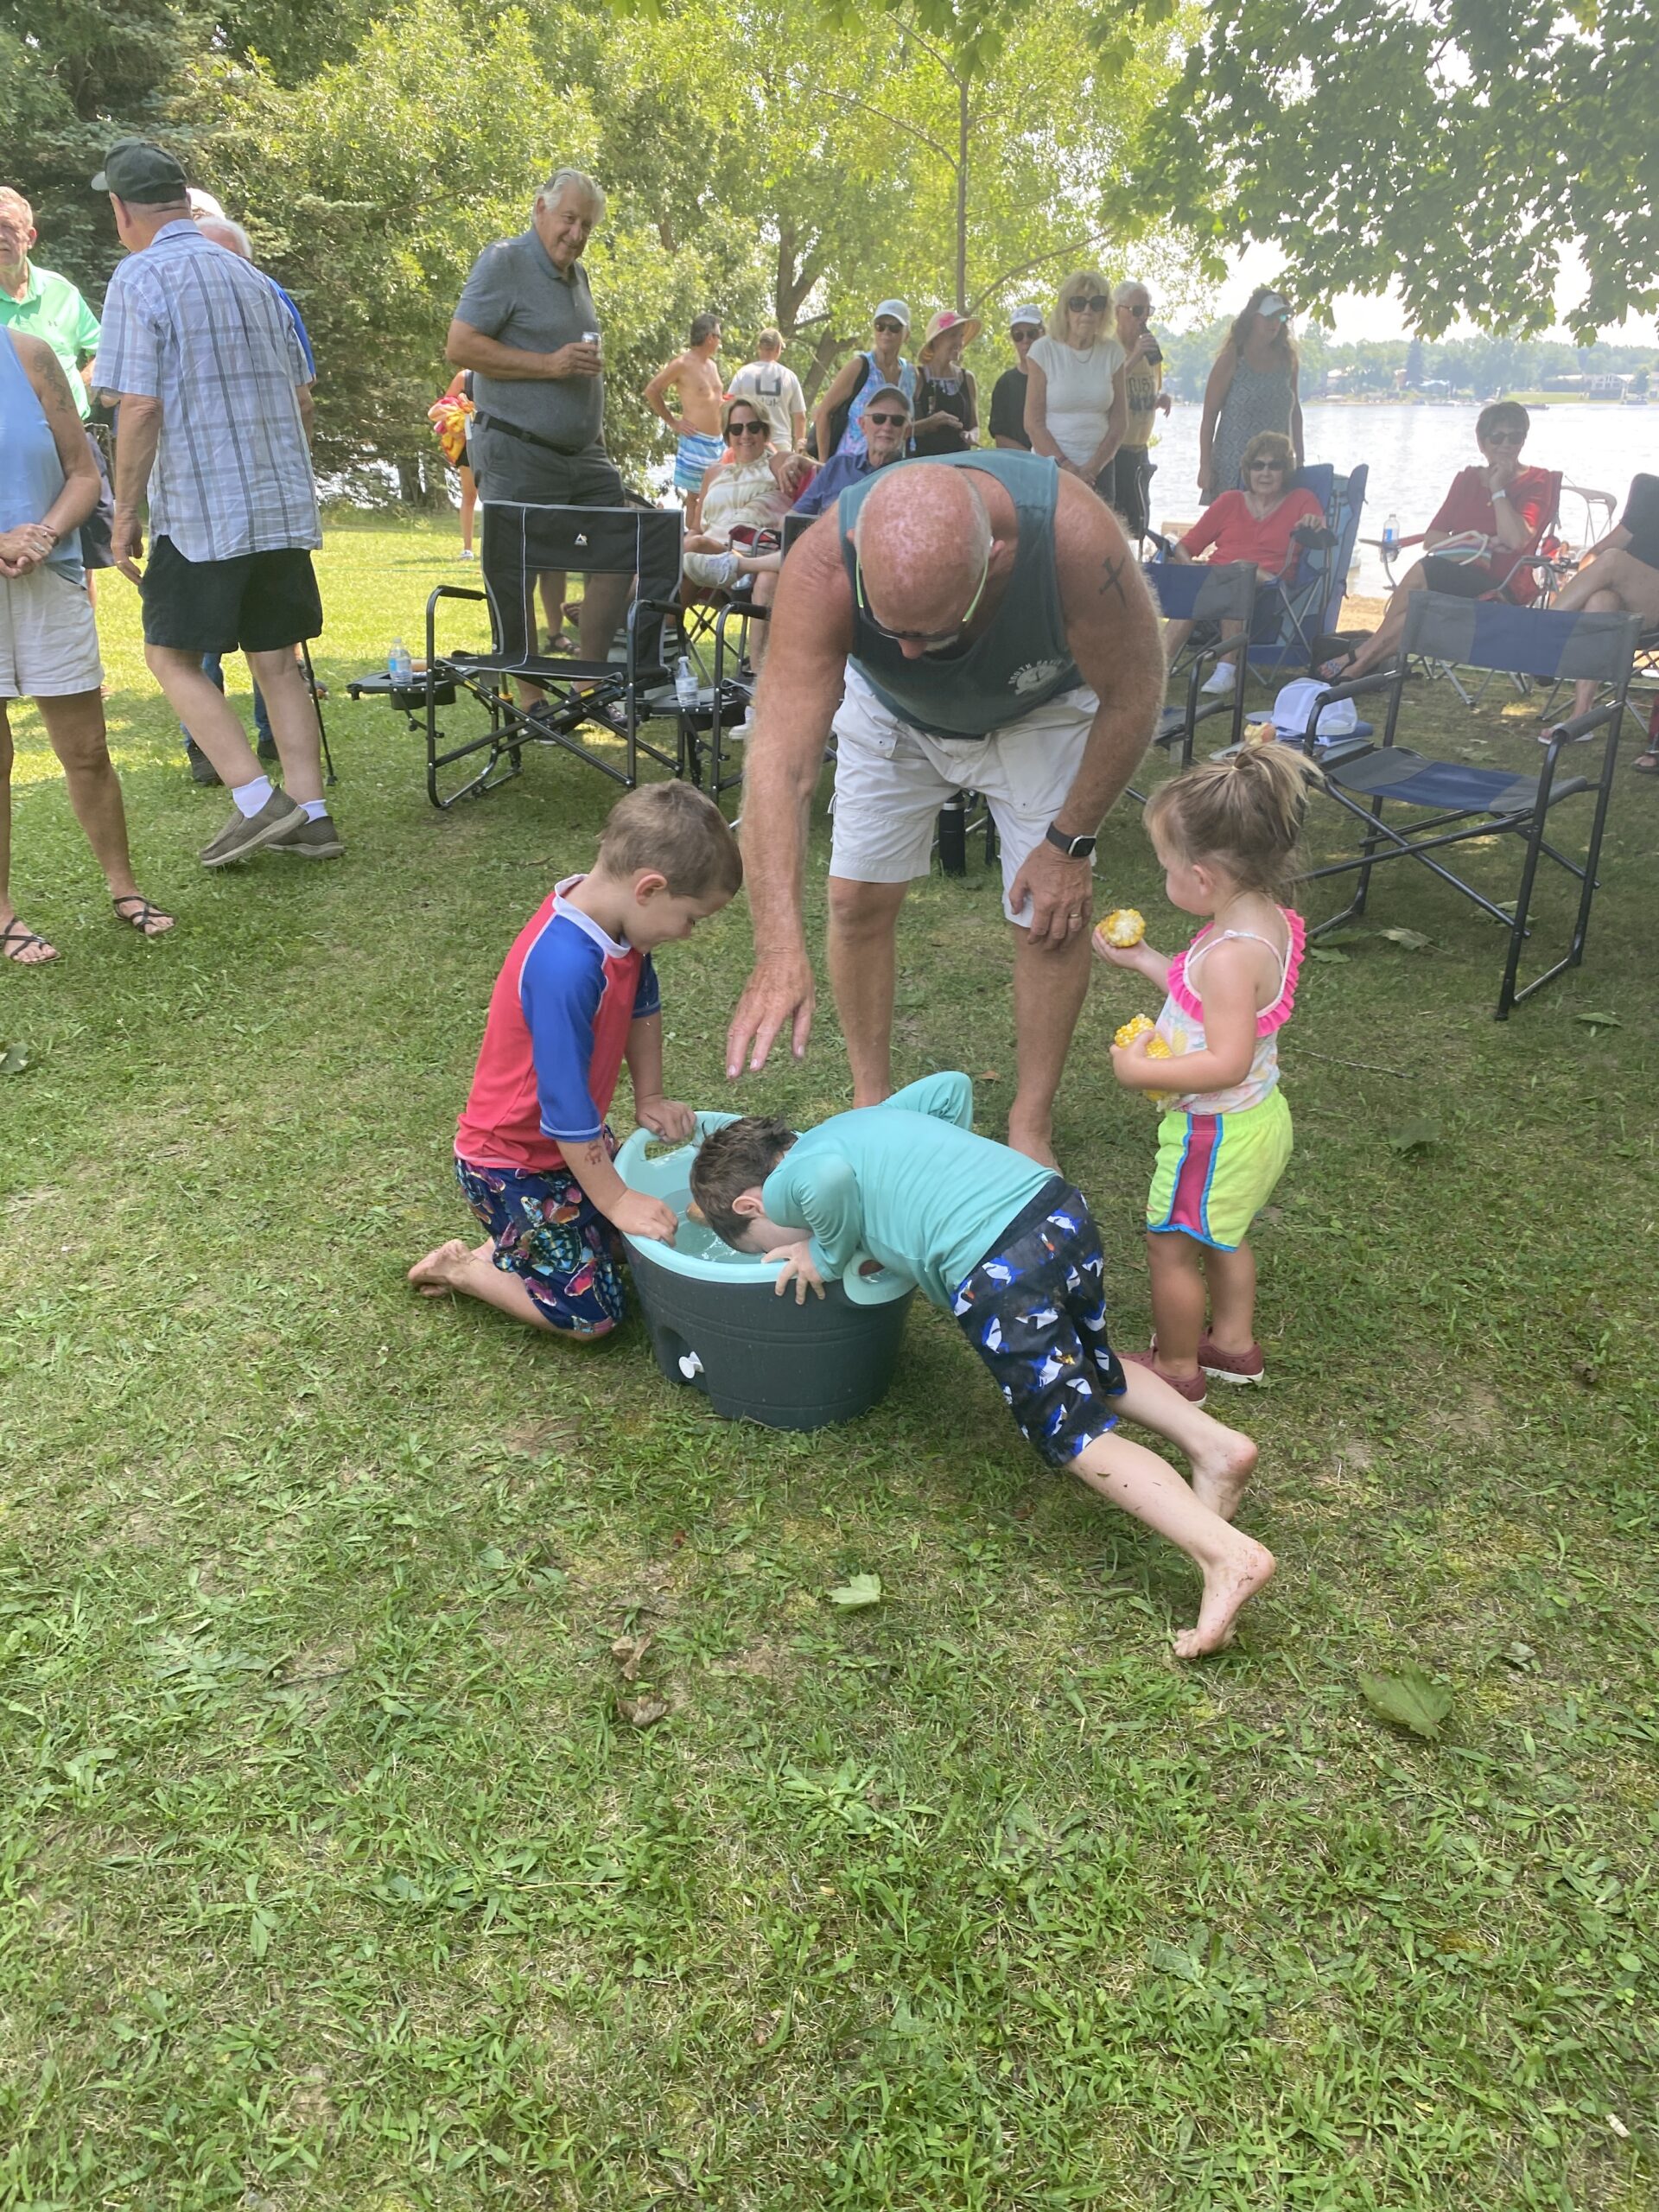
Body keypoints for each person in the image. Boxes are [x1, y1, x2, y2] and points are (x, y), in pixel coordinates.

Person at [689, 1074, 1275, 1658]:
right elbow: (951, 1089)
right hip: (1055, 1210)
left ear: (751, 1206)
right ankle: (1215, 1446)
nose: (788, 1243)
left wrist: (825, 1251)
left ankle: (1227, 1555)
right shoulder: (850, 1128)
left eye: (766, 1242)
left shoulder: (796, 1179)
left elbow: (826, 1184)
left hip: (997, 1264)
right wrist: (927, 1184)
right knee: (1092, 1364)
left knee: (1071, 1430)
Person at [726, 452, 1166, 1169]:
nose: (904, 647)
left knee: (1048, 918)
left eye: (929, 632)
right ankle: (874, 1107)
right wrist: (778, 947)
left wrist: (1070, 843)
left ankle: (1029, 1124)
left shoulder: (1074, 544)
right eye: (887, 624)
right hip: (892, 714)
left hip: (1040, 711)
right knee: (854, 901)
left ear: (995, 560)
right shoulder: (821, 571)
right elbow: (781, 763)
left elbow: (1136, 690)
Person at [408, 784, 742, 1335]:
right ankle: (466, 1268)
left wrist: (650, 1095)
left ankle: (524, 1239)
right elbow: (564, 1108)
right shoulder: (565, 964)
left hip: (567, 1152)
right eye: (691, 918)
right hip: (508, 1163)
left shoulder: (621, 930)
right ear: (650, 888)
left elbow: (642, 1002)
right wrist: (615, 1201)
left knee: (643, 1241)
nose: (689, 933)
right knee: (595, 1315)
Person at [91, 139, 340, 866]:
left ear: (121, 210)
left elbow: (137, 407)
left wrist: (127, 514)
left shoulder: (139, 278)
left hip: (202, 511)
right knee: (278, 660)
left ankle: (260, 802)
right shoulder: (254, 278)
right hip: (278, 505)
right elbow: (301, 397)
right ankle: (314, 816)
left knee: (169, 656)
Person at [1093, 745, 1308, 1401]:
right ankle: (1234, 1347)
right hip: (1256, 1118)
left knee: (1171, 1245)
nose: (1162, 879)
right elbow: (1211, 1005)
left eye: (1165, 868)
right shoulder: (1258, 921)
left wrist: (1138, 1072)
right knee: (1223, 1234)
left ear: (1201, 877)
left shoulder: (1227, 956)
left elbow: (1226, 1060)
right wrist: (1150, 961)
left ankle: (1178, 1370)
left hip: (1214, 1132)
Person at [1, 328, 173, 963]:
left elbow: (82, 471)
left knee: (87, 749)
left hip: (48, 572)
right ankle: (2, 915)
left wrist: (43, 532)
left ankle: (124, 889)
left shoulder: (28, 353)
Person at [447, 168, 631, 669]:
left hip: (585, 456)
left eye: (587, 226)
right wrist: (551, 366)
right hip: (517, 449)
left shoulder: (579, 275)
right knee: (515, 573)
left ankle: (588, 684)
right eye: (569, 219)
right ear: (540, 209)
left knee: (620, 552)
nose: (576, 234)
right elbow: (460, 346)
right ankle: (528, 700)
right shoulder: (504, 262)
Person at [180, 213, 320, 786]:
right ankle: (209, 752)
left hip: (265, 503)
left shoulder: (271, 299)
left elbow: (303, 397)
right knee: (199, 640)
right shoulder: (196, 312)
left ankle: (270, 755)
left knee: (270, 647)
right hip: (207, 508)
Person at [1320, 403, 1554, 682]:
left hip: (1504, 588)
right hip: (1456, 578)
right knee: (1421, 603)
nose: (1506, 444)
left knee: (1426, 570)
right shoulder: (1467, 479)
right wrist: (1481, 542)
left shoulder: (1537, 481)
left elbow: (1516, 540)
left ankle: (1360, 656)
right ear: (1482, 442)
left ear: (1524, 440)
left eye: (1515, 437)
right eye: (1497, 437)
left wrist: (1498, 489)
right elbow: (1432, 538)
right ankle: (1359, 668)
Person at [0, 188, 114, 586]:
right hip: (11, 444)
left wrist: (76, 389)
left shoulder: (60, 291)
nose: (0, 237)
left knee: (82, 557)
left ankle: (77, 632)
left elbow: (105, 349)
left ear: (29, 236)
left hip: (72, 439)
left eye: (7, 227)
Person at [1161, 431, 1325, 694]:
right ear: (1248, 470)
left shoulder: (1301, 499)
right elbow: (1184, 546)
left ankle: (1226, 669)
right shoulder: (1229, 501)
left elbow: (1320, 530)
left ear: (1286, 470)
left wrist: (1313, 524)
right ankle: (1157, 671)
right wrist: (1192, 572)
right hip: (1218, 580)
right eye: (1258, 465)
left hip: (1271, 582)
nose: (1266, 472)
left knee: (1240, 570)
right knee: (1202, 586)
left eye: (1275, 465)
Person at [1536, 474, 1659, 755]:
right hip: (1628, 602)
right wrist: (1580, 586)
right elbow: (1600, 550)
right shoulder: (1649, 490)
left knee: (1614, 560)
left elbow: (1610, 557)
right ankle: (1581, 716)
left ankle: (1541, 638)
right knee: (1600, 600)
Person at [681, 395, 794, 671]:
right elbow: (696, 525)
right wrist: (688, 541)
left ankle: (757, 674)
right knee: (679, 549)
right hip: (706, 561)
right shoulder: (714, 472)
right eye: (736, 429)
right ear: (727, 435)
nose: (745, 435)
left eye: (753, 427)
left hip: (755, 555)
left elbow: (811, 475)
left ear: (765, 432)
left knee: (692, 549)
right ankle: (661, 636)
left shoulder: (777, 462)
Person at [1024, 270, 1128, 497]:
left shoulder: (1113, 353)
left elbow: (1119, 422)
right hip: (1050, 470)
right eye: (1078, 303)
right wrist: (1066, 466)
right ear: (1065, 309)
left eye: (1096, 304)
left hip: (1099, 472)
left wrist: (1093, 468)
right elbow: (1033, 422)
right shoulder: (1043, 351)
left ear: (1105, 311)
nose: (1087, 311)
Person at [1198, 289, 1303, 505]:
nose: (1275, 323)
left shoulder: (1287, 360)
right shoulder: (1233, 358)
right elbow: (1209, 416)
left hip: (1275, 467)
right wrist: (1205, 467)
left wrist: (1299, 460)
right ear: (1253, 318)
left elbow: (1295, 412)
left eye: (1280, 317)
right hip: (1233, 467)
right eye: (1269, 317)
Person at [1103, 281, 1172, 542]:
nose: (1143, 317)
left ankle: (1138, 566)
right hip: (1115, 452)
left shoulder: (1149, 350)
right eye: (1137, 310)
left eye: (1148, 310)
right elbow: (1106, 391)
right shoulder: (1108, 350)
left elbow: (1141, 390)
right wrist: (1133, 357)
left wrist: (1159, 398)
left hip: (1140, 450)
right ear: (1117, 311)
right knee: (1117, 521)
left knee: (1139, 519)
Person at [644, 313, 725, 529]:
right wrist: (673, 422)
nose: (720, 341)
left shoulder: (713, 366)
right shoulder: (682, 363)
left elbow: (712, 399)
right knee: (695, 498)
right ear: (709, 337)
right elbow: (652, 390)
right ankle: (690, 545)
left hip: (718, 442)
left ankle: (709, 541)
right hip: (695, 440)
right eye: (718, 336)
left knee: (717, 495)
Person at [811, 301, 915, 463]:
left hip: (889, 467)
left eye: (895, 327)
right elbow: (823, 412)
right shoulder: (859, 366)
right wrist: (824, 466)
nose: (886, 332)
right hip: (850, 468)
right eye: (880, 326)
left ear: (907, 334)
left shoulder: (910, 374)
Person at [909, 309, 980, 455]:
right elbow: (900, 430)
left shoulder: (967, 378)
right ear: (937, 339)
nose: (959, 342)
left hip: (961, 463)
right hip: (922, 465)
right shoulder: (916, 377)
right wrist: (930, 423)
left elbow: (975, 426)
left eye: (961, 336)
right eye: (952, 336)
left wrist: (972, 435)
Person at [727, 328, 806, 453]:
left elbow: (728, 405)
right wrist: (800, 450)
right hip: (781, 444)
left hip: (749, 440)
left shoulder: (744, 373)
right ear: (778, 348)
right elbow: (800, 417)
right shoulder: (789, 377)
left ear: (759, 347)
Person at [429, 369, 478, 559]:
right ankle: (468, 549)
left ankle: (497, 546)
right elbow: (444, 406)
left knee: (495, 496)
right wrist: (454, 426)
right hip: (468, 443)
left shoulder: (504, 372)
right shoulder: (466, 377)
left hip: (497, 443)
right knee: (470, 494)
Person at [988, 304, 1043, 450]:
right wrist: (1032, 459)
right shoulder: (1005, 384)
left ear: (1043, 334)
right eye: (1018, 335)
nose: (1025, 340)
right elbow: (1000, 436)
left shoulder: (1057, 378)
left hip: (1058, 464)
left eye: (1032, 334)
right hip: (1018, 464)